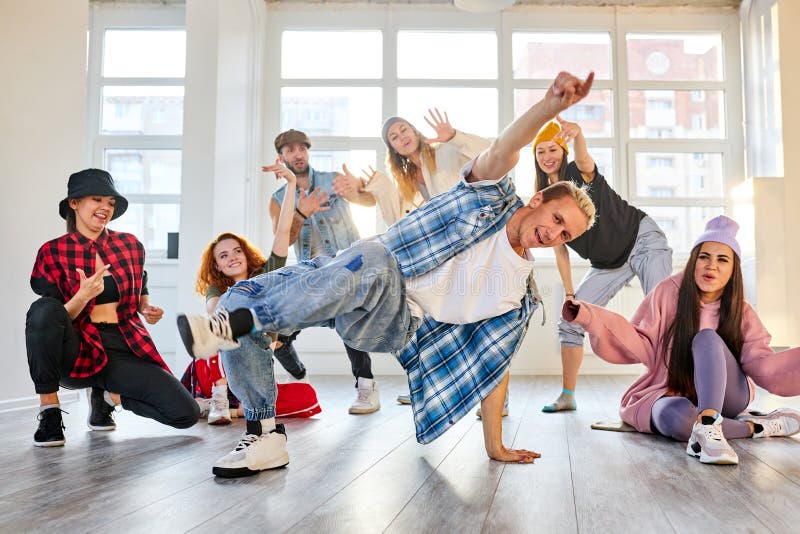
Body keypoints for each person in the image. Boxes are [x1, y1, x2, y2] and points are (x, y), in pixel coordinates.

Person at [177, 70, 597, 476]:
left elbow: (494, 363)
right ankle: (264, 433)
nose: (553, 233)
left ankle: (242, 324)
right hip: (347, 276)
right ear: (539, 197)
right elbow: (504, 149)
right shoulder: (490, 196)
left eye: (566, 234)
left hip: (394, 321)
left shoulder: (518, 296)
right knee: (240, 297)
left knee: (374, 258)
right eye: (558, 218)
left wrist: (495, 444)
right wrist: (548, 106)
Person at [561, 215, 800, 465]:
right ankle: (750, 428)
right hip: (673, 389)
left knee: (707, 338)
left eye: (722, 260)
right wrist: (589, 315)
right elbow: (640, 339)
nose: (711, 266)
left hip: (729, 396)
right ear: (693, 261)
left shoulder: (742, 310)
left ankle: (710, 422)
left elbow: (762, 364)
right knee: (678, 420)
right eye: (704, 257)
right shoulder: (668, 292)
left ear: (733, 270)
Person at [25, 169, 199, 447]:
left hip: (121, 345)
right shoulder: (53, 251)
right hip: (75, 348)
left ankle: (106, 398)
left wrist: (145, 305)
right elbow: (52, 319)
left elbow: (140, 279)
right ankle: (50, 412)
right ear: (74, 203)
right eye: (97, 199)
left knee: (186, 413)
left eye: (110, 202)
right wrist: (82, 297)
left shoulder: (130, 245)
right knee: (42, 309)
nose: (105, 207)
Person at [333, 109, 491, 406]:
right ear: (392, 148)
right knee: (424, 322)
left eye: (403, 130)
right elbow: (395, 217)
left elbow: (489, 153)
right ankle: (427, 386)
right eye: (393, 137)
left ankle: (494, 395)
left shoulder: (446, 153)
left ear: (415, 131)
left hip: (469, 246)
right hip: (437, 257)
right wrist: (369, 190)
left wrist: (454, 136)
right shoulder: (403, 179)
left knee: (477, 318)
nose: (400, 137)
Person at [533, 116, 673, 413]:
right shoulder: (543, 197)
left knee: (664, 318)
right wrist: (570, 292)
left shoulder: (573, 174)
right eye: (541, 151)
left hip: (642, 239)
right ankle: (567, 395)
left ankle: (673, 389)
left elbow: (585, 162)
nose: (547, 157)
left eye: (553, 149)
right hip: (608, 263)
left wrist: (580, 134)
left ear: (563, 151)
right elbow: (560, 250)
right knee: (569, 319)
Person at [192, 164, 320, 426]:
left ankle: (234, 409)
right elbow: (214, 310)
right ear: (217, 266)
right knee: (221, 329)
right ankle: (218, 399)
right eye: (223, 256)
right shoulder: (218, 288)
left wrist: (292, 184)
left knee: (307, 398)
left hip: (253, 367)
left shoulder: (266, 275)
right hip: (217, 368)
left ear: (245, 254)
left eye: (236, 251)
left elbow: (283, 232)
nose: (232, 258)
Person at [271, 129, 380, 414]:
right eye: (290, 150)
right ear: (280, 157)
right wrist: (300, 212)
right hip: (311, 275)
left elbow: (370, 201)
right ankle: (299, 379)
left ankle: (366, 386)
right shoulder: (280, 198)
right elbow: (282, 240)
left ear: (307, 152)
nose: (297, 154)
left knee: (350, 324)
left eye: (301, 148)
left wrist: (356, 190)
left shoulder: (333, 180)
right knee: (277, 332)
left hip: (347, 267)